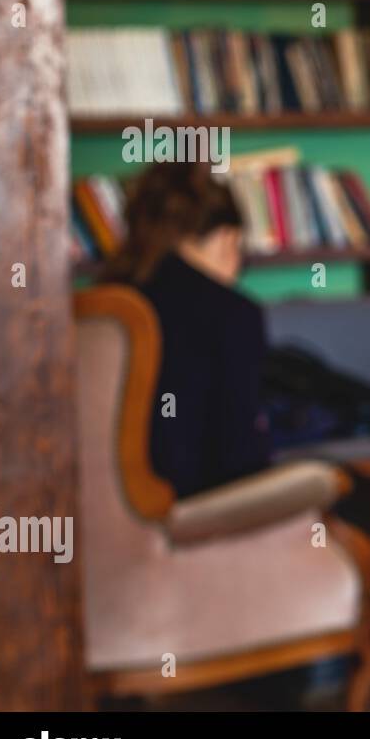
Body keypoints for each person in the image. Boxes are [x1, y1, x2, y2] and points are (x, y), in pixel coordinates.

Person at [104, 162, 270, 499]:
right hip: (193, 517)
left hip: (93, 517)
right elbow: (240, 460)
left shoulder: (102, 302)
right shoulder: (232, 314)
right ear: (227, 238)